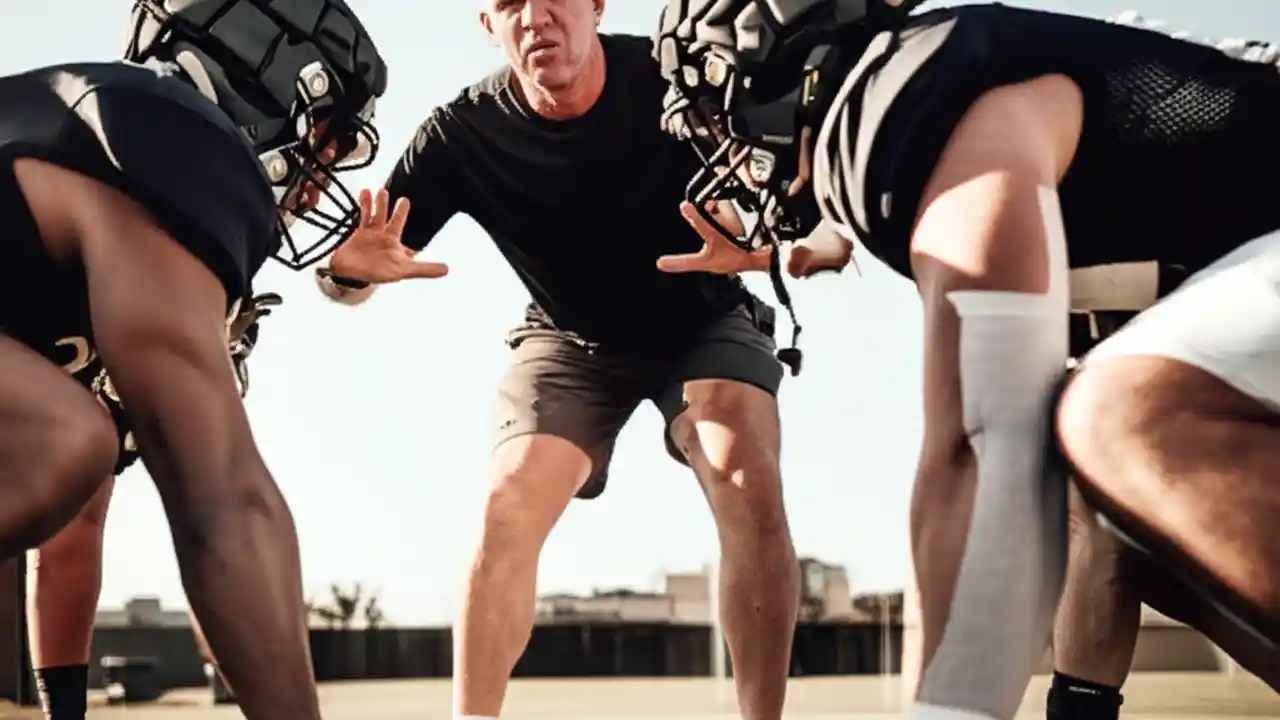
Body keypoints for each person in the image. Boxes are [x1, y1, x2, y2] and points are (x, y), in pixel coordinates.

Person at [651, 1, 1280, 718]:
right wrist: (798, 245)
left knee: (1121, 415)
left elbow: (979, 449)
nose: (719, 147)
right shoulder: (923, 89)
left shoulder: (909, 107)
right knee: (1124, 512)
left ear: (781, 64)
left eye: (712, 103)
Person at [315, 1, 804, 717]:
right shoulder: (462, 133)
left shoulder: (679, 82)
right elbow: (351, 270)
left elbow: (815, 231)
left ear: (597, 5)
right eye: (510, 2)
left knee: (743, 468)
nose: (537, 16)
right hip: (570, 339)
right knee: (507, 502)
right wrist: (344, 273)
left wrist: (761, 252)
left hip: (702, 318)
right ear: (488, 25)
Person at [0, 0, 388, 717]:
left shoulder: (70, 132)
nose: (323, 166)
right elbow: (227, 506)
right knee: (69, 438)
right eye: (327, 139)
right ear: (276, 89)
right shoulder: (173, 137)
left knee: (62, 436)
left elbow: (73, 525)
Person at [26, 289, 279, 720]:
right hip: (79, 293)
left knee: (217, 519)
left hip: (177, 305)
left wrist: (348, 280)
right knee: (70, 525)